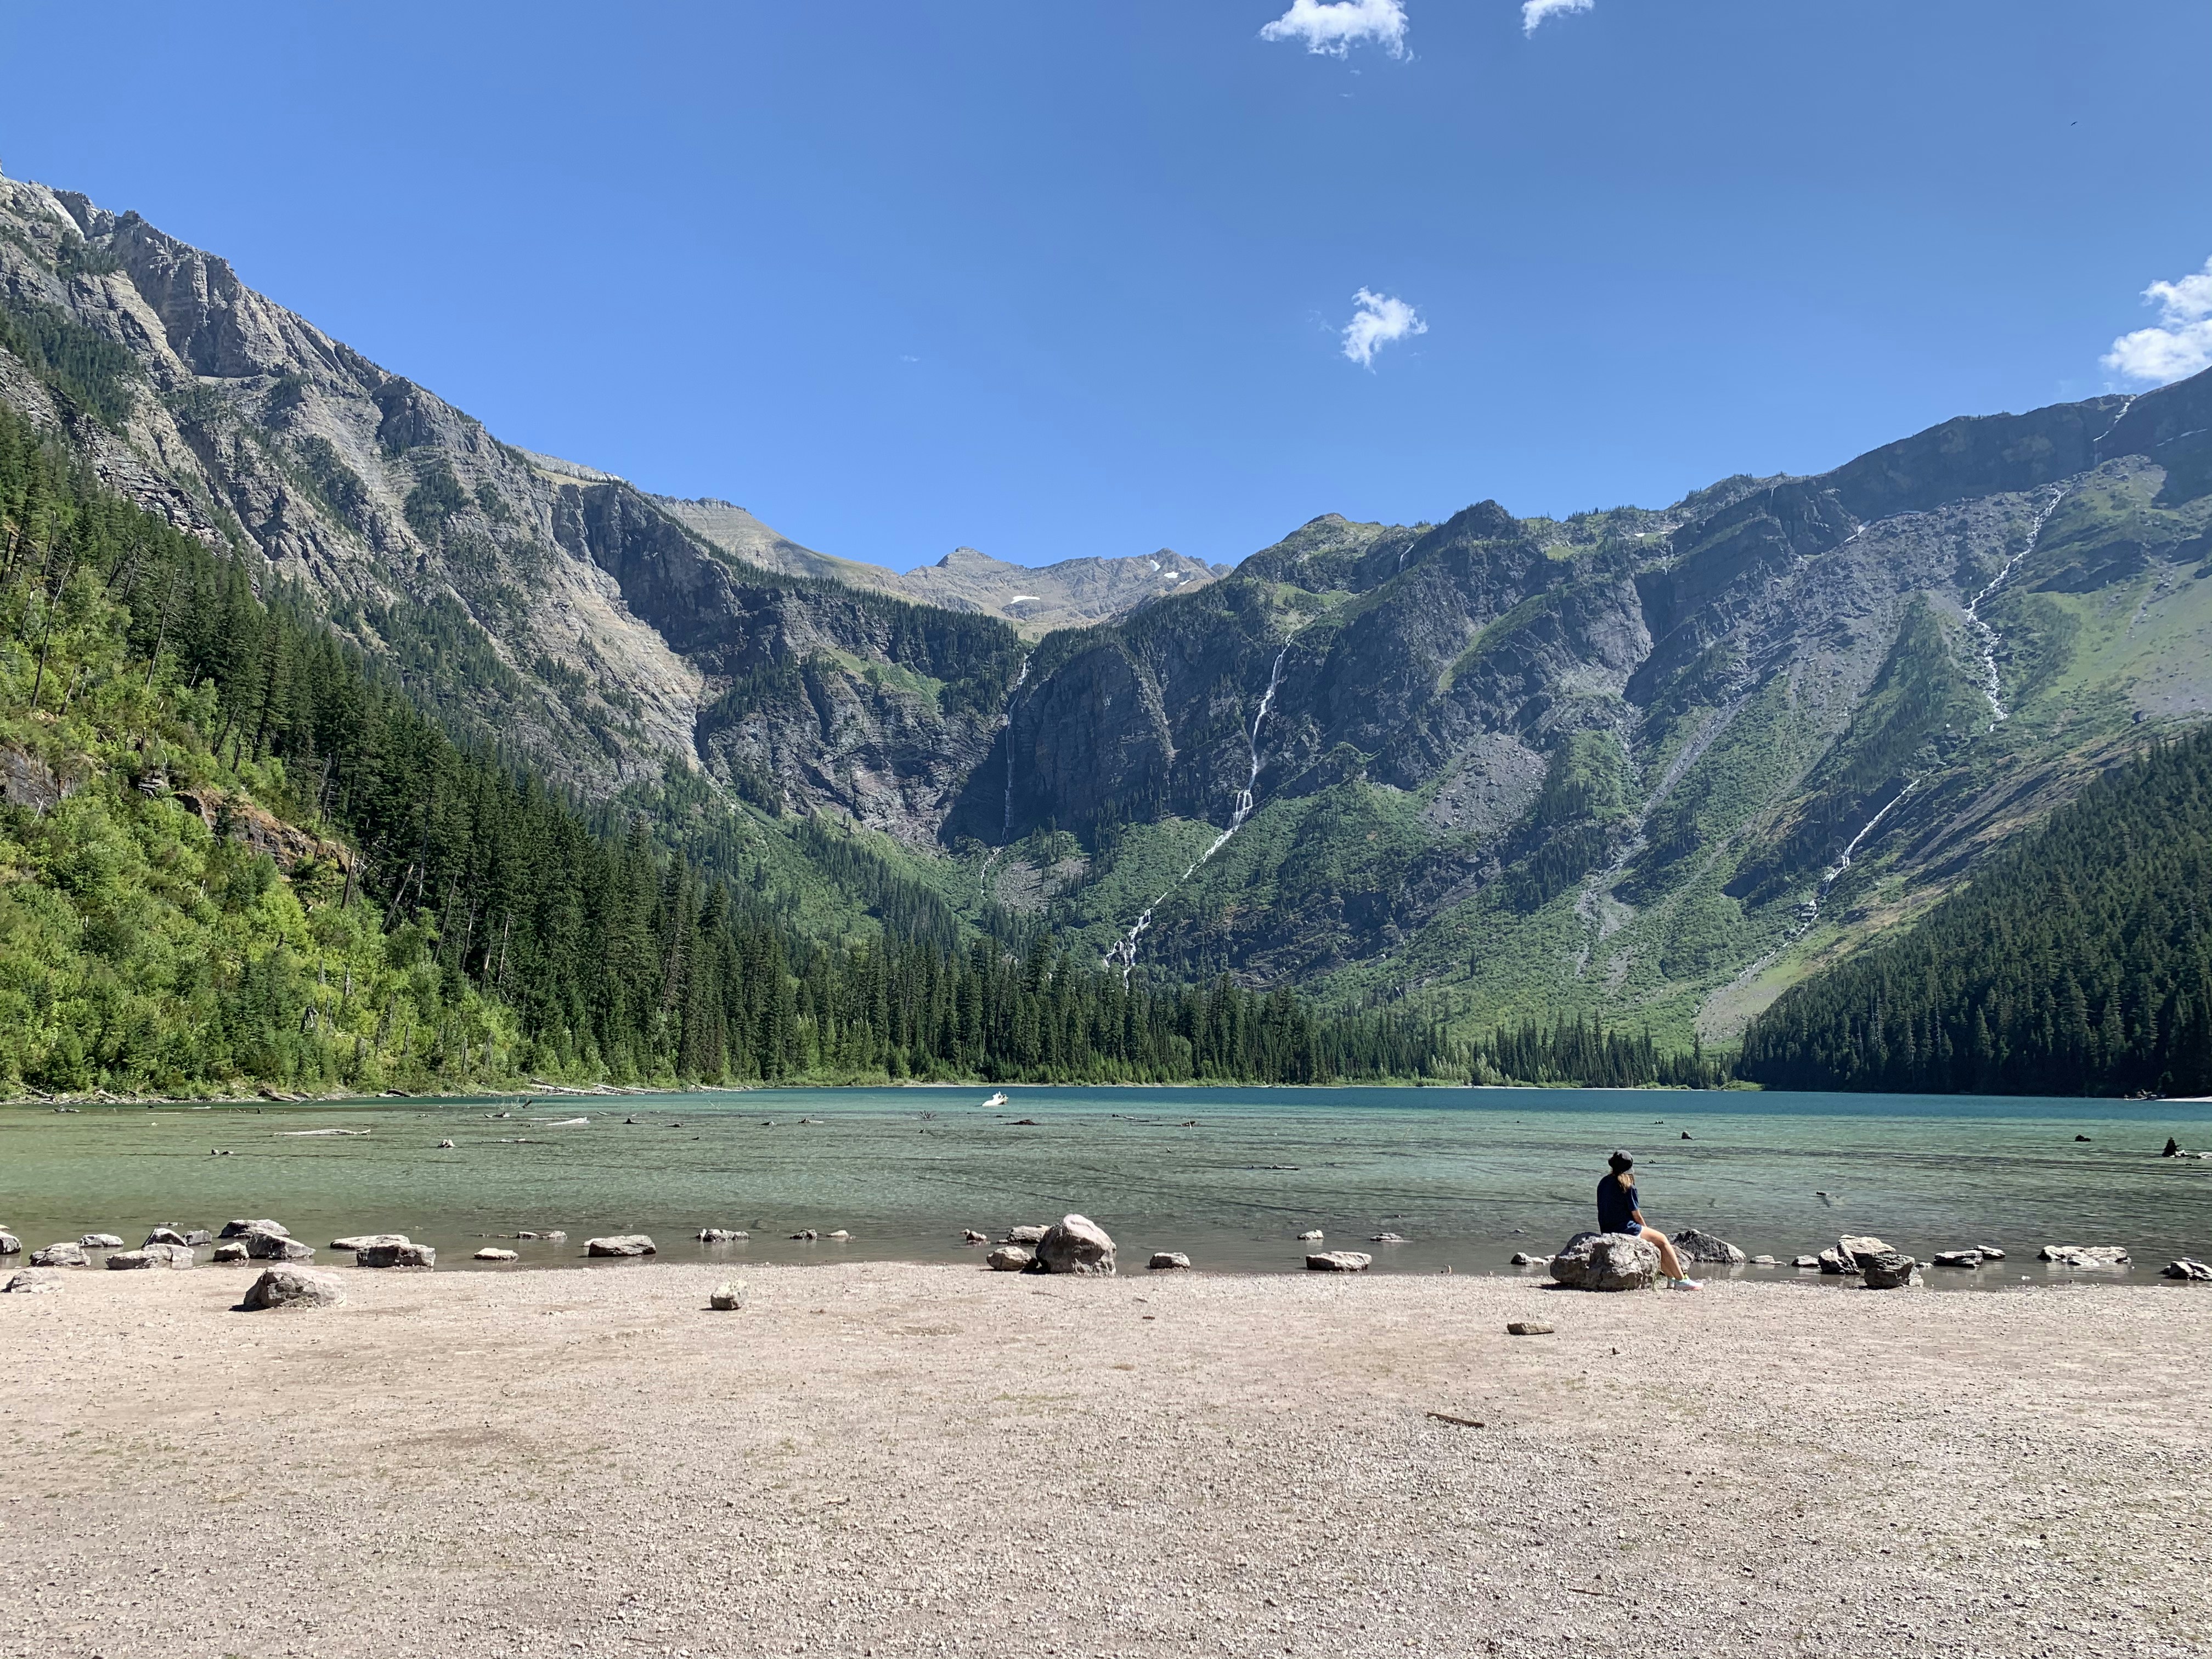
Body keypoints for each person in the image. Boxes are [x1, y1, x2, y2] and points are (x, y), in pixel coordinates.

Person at [1598, 1150, 1701, 1290]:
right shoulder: (1628, 1187)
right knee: (1662, 1240)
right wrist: (1646, 1230)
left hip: (1607, 1229)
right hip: (1625, 1229)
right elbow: (1637, 1216)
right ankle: (1681, 1280)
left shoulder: (1603, 1183)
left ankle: (1671, 1278)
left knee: (1658, 1243)